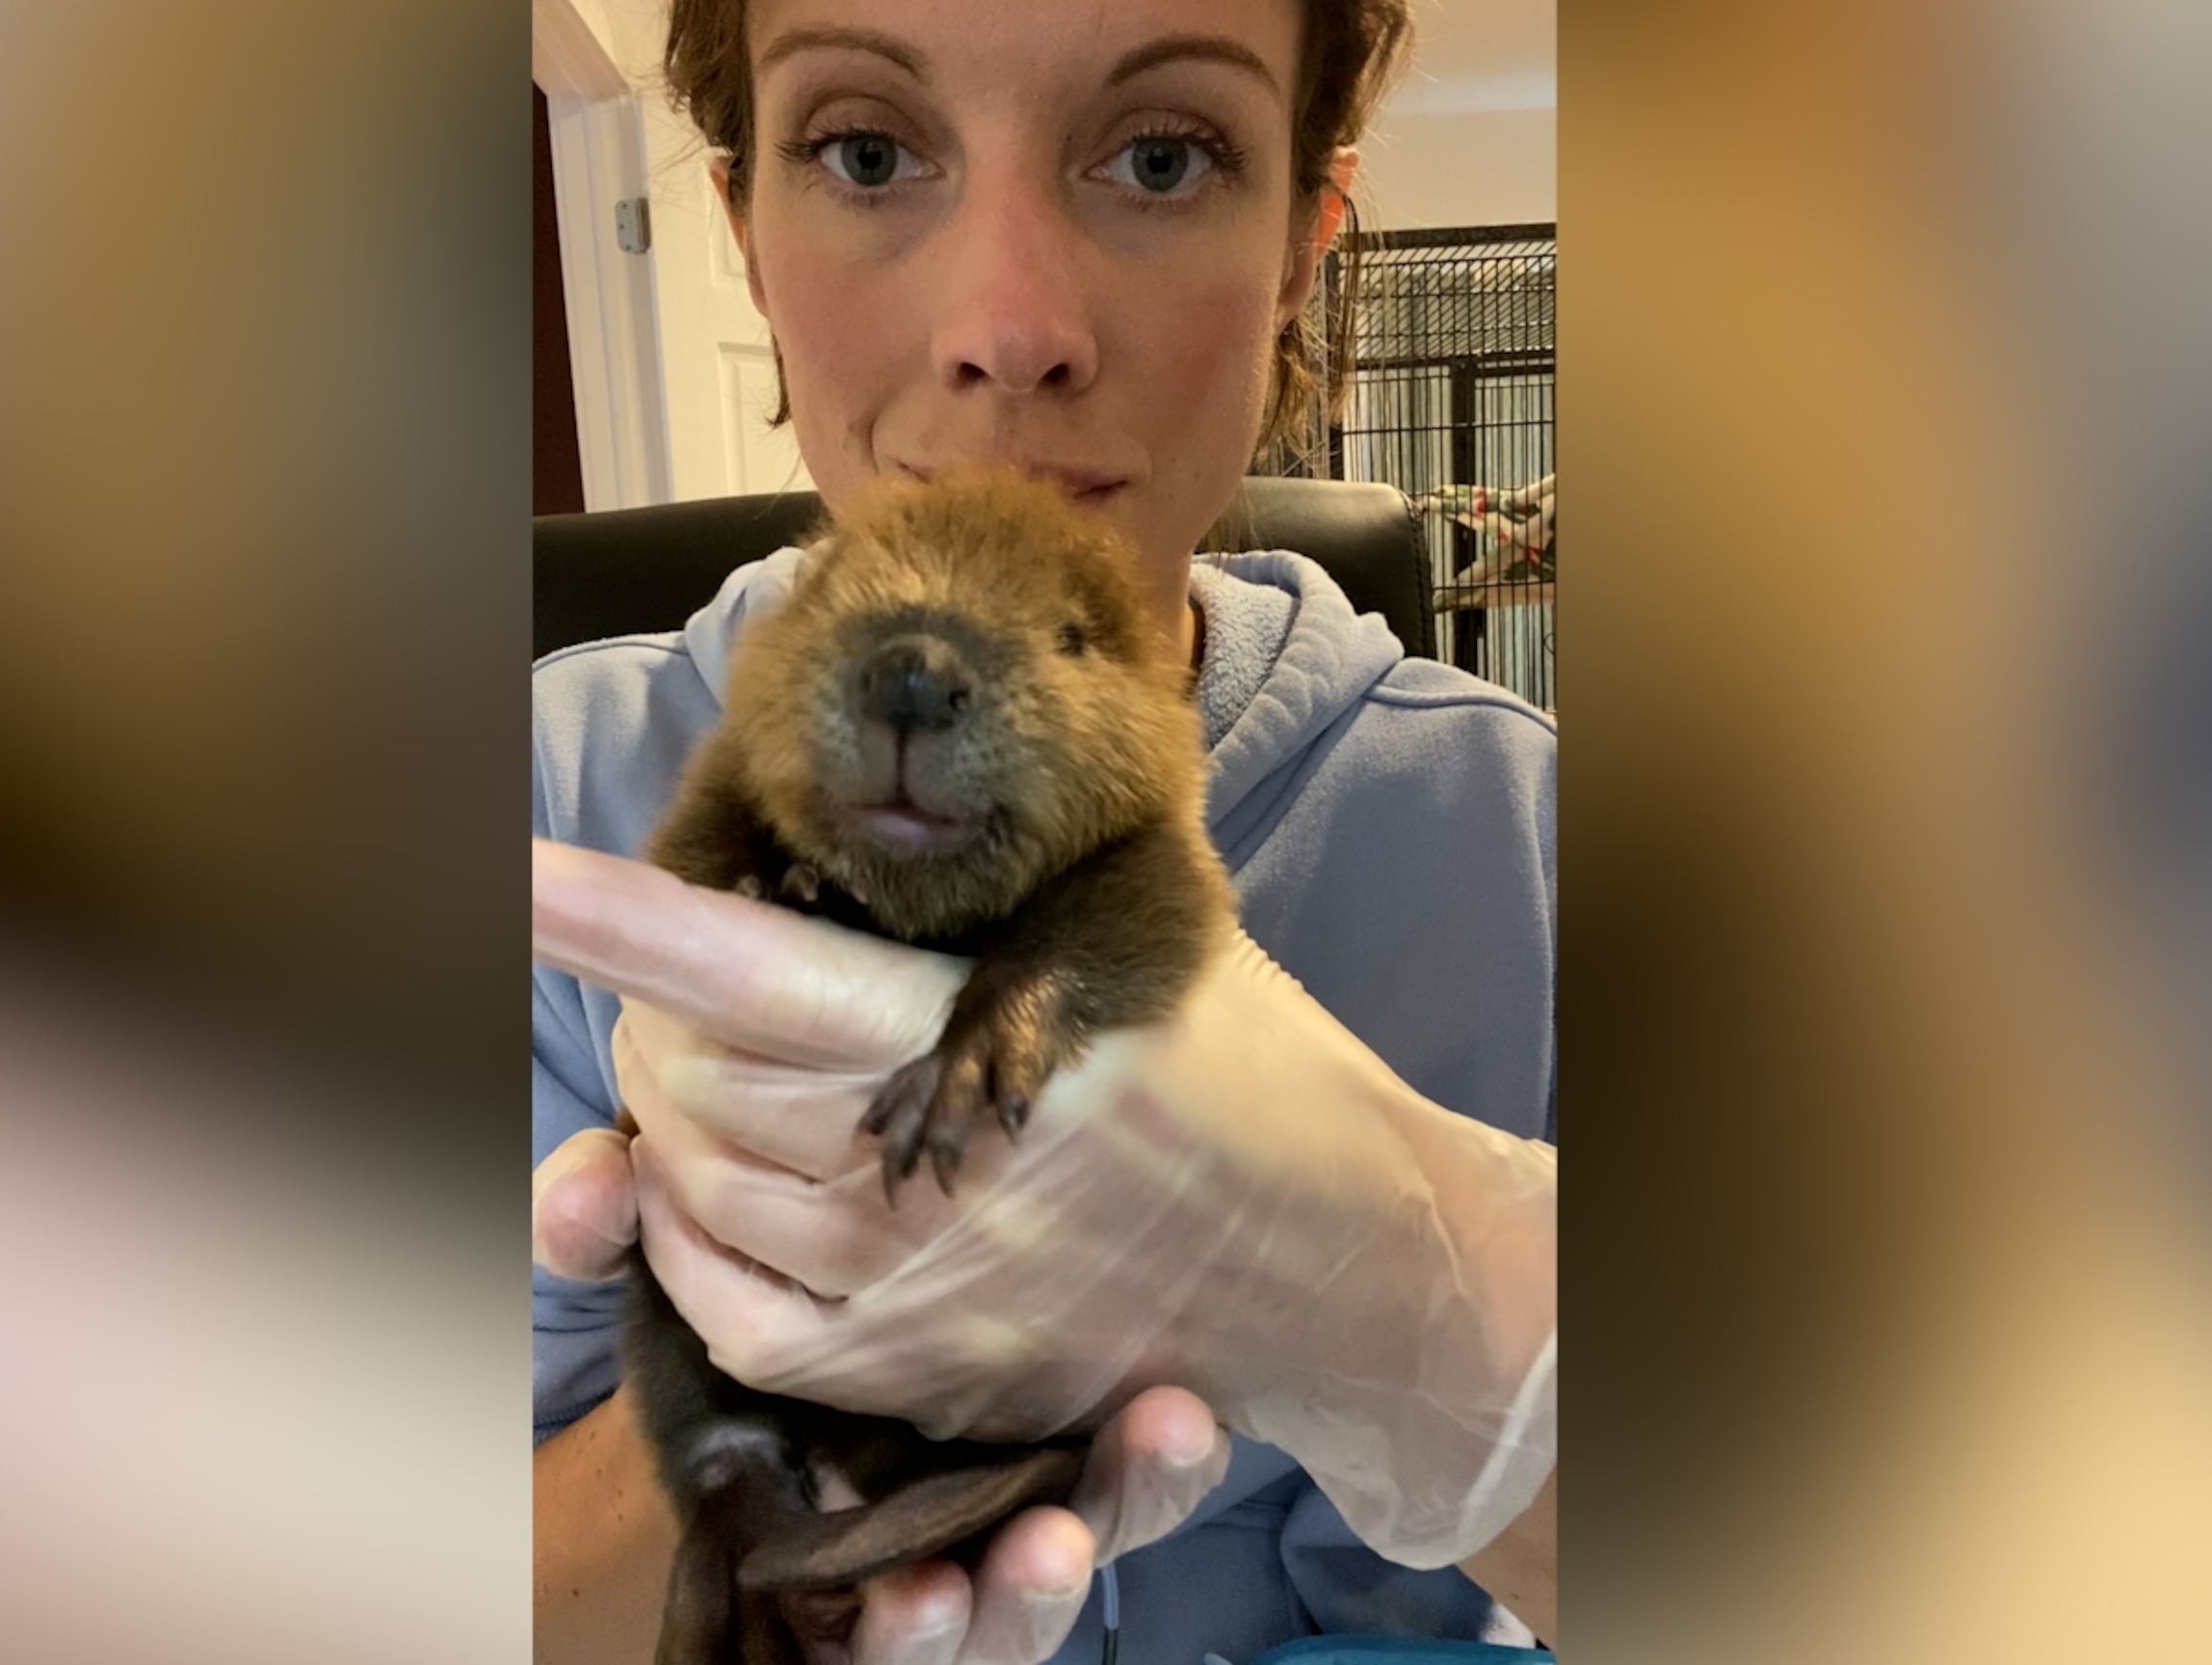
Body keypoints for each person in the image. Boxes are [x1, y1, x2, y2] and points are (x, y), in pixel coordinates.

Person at [528, 1, 1559, 1660]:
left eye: (1163, 157)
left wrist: (1449, 1337)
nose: (1012, 328)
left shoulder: (1530, 838)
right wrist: (779, 1420)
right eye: (866, 152)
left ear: (1305, 241)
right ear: (745, 232)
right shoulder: (544, 790)